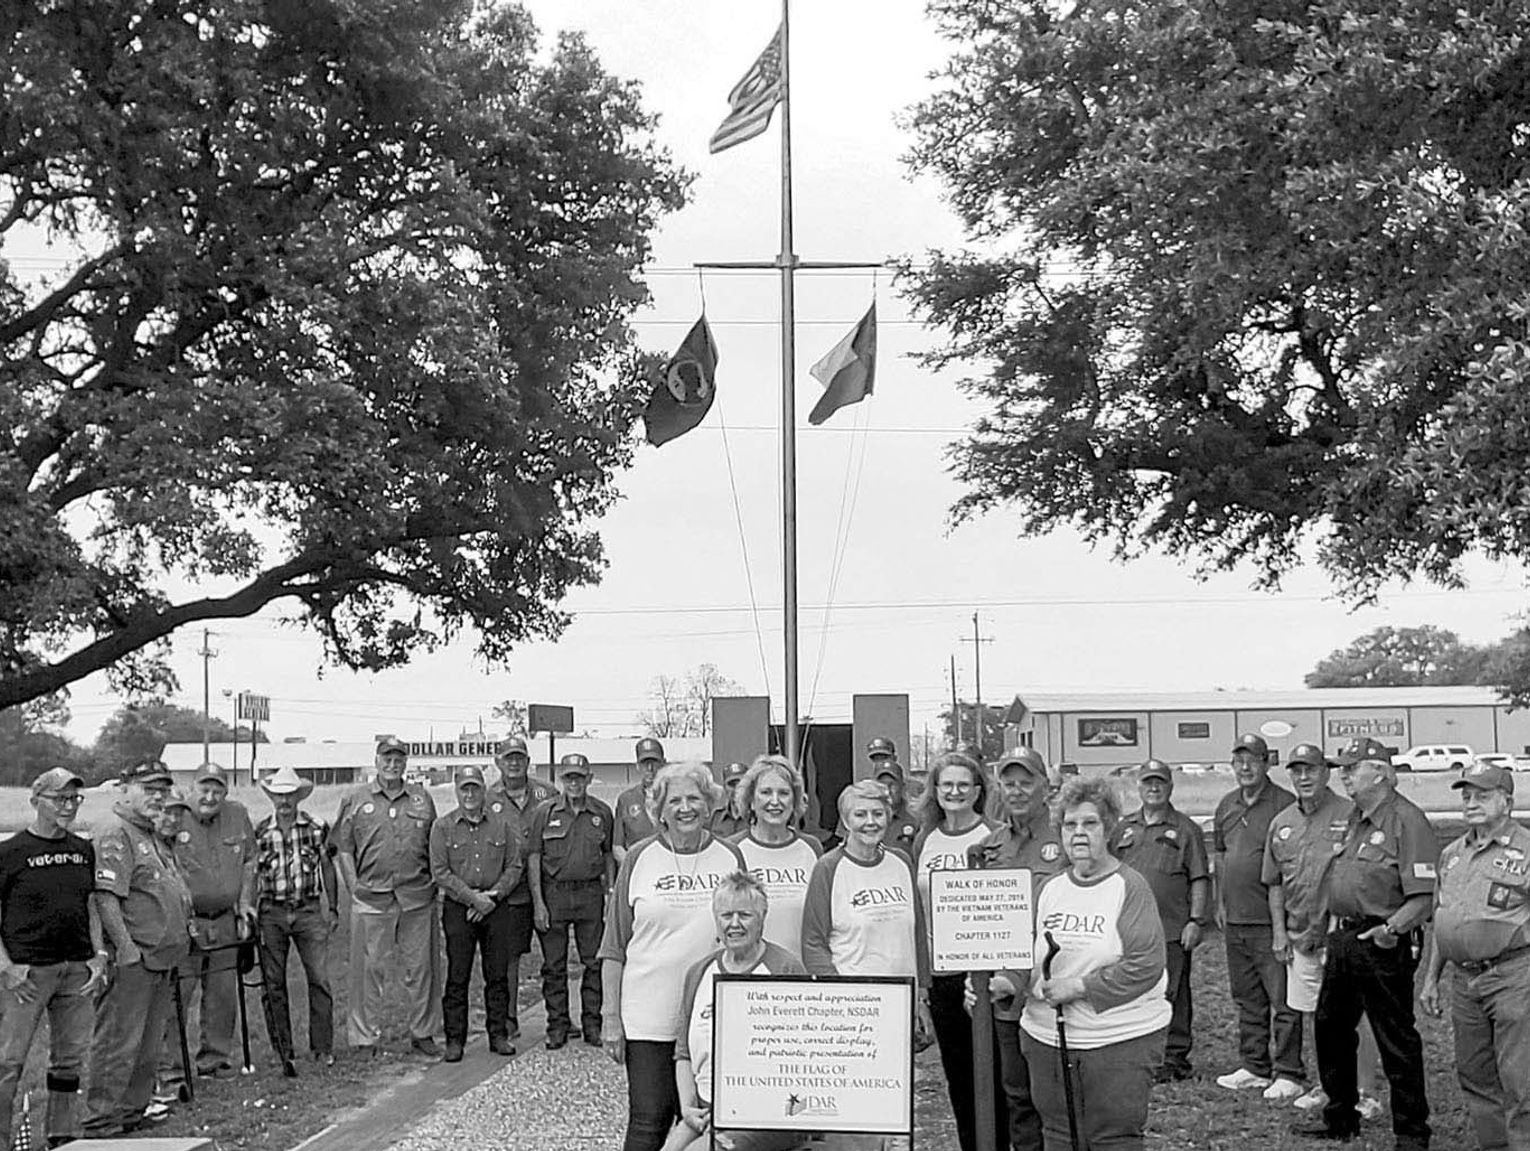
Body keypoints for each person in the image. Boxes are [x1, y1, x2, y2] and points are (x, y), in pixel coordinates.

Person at [600, 761, 746, 1151]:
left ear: (711, 804)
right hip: (649, 1015)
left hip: (712, 1016)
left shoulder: (730, 857)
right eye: (675, 800)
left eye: (695, 799)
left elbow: (745, 933)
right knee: (649, 1121)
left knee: (707, 1122)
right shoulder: (637, 857)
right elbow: (613, 946)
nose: (686, 808)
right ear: (659, 810)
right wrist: (610, 1017)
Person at [1299, 737, 1436, 1150]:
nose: (1343, 775)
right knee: (1330, 1026)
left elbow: (1424, 896)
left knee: (1394, 1037)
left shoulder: (1407, 821)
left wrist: (1390, 930)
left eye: (1351, 767)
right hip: (1345, 937)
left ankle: (1412, 1132)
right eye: (1342, 768)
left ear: (1379, 772)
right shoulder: (1356, 818)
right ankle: (1341, 1115)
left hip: (1384, 938)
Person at [1021, 776, 1169, 1151]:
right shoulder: (1050, 888)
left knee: (1112, 1138)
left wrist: (1081, 986)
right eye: (1070, 825)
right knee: (1058, 1135)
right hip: (1047, 1039)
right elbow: (1025, 952)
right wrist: (1008, 981)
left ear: (1109, 830)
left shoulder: (1129, 887)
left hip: (1117, 1040)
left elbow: (1145, 964)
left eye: (1090, 823)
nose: (1079, 833)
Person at [1264, 744, 1385, 1120]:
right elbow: (1274, 883)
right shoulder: (1282, 822)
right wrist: (1280, 932)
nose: (1304, 778)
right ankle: (1329, 1084)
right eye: (1296, 771)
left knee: (1354, 1014)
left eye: (1311, 770)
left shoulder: (1351, 815)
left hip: (1341, 934)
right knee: (1319, 1014)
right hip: (1301, 936)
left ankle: (1365, 1090)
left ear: (1325, 773)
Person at [1421, 761, 1530, 1151]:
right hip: (1464, 983)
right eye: (1466, 796)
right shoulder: (1451, 854)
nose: (1471, 803)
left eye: (1482, 796)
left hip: (1514, 977)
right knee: (1475, 1074)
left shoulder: (1527, 850)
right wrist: (1431, 978)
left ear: (1507, 801)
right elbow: (1441, 916)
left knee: (1521, 1080)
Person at [83, 759, 194, 1138]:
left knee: (147, 1046)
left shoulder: (147, 833)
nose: (158, 797)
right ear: (125, 788)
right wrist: (126, 948)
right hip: (134, 957)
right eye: (149, 789)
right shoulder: (116, 832)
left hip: (159, 957)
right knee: (118, 1041)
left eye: (163, 790)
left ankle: (131, 1110)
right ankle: (102, 1119)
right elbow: (105, 896)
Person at [0, 768, 109, 1148]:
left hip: (76, 970)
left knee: (68, 1061)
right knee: (8, 1063)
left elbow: (90, 904)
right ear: (36, 802)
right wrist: (6, 967)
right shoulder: (10, 852)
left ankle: (61, 1137)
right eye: (59, 799)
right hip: (27, 972)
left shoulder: (82, 849)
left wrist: (97, 955)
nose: (68, 807)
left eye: (74, 800)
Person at [661, 871, 807, 1151]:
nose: (735, 924)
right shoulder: (700, 972)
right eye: (726, 916)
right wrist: (688, 1108)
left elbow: (801, 1058)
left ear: (763, 918)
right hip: (705, 1110)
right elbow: (683, 1053)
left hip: (765, 1117)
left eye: (745, 915)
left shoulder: (784, 969)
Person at [977, 747, 1068, 1151]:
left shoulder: (1067, 839)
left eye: (1026, 781)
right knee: (1018, 1095)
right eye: (1009, 782)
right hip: (1008, 992)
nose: (1016, 791)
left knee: (1058, 1096)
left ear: (1044, 787)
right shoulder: (986, 849)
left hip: (1057, 987)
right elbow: (974, 923)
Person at [912, 752, 1004, 1151]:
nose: (954, 792)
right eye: (946, 785)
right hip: (943, 976)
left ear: (978, 791)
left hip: (985, 977)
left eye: (963, 785)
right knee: (959, 1077)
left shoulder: (994, 835)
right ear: (935, 791)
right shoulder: (924, 839)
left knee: (996, 1076)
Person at [335, 736, 441, 1058]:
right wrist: (353, 887)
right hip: (372, 898)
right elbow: (343, 848)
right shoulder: (355, 799)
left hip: (416, 897)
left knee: (422, 969)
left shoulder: (422, 799)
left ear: (406, 762)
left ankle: (423, 1033)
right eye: (386, 758)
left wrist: (434, 883)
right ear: (376, 760)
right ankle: (364, 1038)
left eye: (398, 758)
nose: (392, 764)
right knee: (367, 971)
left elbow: (435, 845)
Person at [1109, 759, 1210, 1083]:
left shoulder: (1186, 829)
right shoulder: (1122, 829)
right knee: (1132, 989)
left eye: (1160, 782)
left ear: (1170, 787)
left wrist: (1196, 920)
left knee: (1173, 993)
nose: (1154, 788)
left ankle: (1174, 1057)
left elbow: (1199, 878)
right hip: (1128, 929)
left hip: (1172, 928)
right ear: (1138, 787)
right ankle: (1137, 1051)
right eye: (1148, 782)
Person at [1213, 733, 1302, 1096]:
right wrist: (1220, 903)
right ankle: (1254, 1066)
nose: (1246, 767)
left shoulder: (1284, 804)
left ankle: (1288, 1072)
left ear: (1267, 763)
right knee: (1247, 998)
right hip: (1235, 920)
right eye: (1239, 761)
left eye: (1254, 760)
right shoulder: (1226, 805)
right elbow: (1220, 854)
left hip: (1270, 921)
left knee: (1282, 1000)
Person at [158, 763, 254, 1091]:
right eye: (204, 789)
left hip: (226, 920)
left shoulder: (238, 814)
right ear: (192, 788)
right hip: (186, 923)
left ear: (226, 793)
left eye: (218, 790)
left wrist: (245, 905)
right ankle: (171, 1069)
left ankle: (215, 1060)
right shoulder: (175, 816)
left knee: (223, 996)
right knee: (177, 996)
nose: (210, 796)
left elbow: (249, 862)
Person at [430, 765, 523, 1062]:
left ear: (484, 790)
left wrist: (491, 897)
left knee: (497, 975)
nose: (470, 794)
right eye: (464, 789)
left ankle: (498, 1034)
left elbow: (515, 866)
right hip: (459, 907)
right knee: (458, 975)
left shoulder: (502, 825)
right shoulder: (442, 827)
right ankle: (455, 1039)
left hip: (496, 906)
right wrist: (472, 899)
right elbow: (440, 871)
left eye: (475, 788)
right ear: (457, 791)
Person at [252, 765, 338, 1079]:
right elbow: (253, 873)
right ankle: (282, 1051)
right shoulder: (260, 831)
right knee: (273, 983)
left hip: (308, 909)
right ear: (272, 797)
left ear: (297, 797)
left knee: (319, 979)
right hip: (272, 911)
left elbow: (327, 866)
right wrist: (249, 910)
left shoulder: (317, 827)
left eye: (289, 795)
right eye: (279, 795)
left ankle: (323, 1048)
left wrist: (334, 907)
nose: (284, 801)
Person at [528, 753, 616, 1051]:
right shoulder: (545, 811)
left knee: (594, 961)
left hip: (590, 894)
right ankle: (558, 1025)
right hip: (555, 894)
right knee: (554, 965)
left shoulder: (601, 812)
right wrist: (538, 902)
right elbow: (534, 857)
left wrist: (610, 893)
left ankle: (593, 1023)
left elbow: (607, 855)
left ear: (589, 778)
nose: (574, 783)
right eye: (569, 778)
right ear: (561, 780)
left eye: (580, 777)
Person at [488, 735, 555, 1040]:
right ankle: (509, 1017)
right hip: (510, 892)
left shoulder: (547, 793)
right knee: (509, 958)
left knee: (554, 956)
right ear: (498, 762)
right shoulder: (488, 798)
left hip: (547, 886)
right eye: (508, 758)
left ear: (528, 761)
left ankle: (559, 1018)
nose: (514, 763)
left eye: (519, 757)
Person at [727, 755, 821, 960]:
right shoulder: (732, 849)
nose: (775, 801)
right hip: (749, 974)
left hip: (802, 973)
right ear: (751, 800)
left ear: (795, 801)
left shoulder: (812, 848)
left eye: (784, 793)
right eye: (766, 792)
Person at [615, 737, 665, 863]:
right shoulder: (626, 799)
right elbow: (617, 846)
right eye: (644, 763)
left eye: (654, 762)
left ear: (664, 763)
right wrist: (634, 866)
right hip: (638, 868)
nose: (650, 768)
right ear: (637, 765)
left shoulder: (676, 796)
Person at [869, 738, 920, 853]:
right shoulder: (862, 805)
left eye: (884, 757)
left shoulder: (915, 815)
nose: (880, 761)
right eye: (875, 759)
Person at [710, 763, 750, 838]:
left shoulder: (757, 817)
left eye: (741, 784)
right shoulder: (714, 818)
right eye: (732, 784)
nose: (737, 788)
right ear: (724, 787)